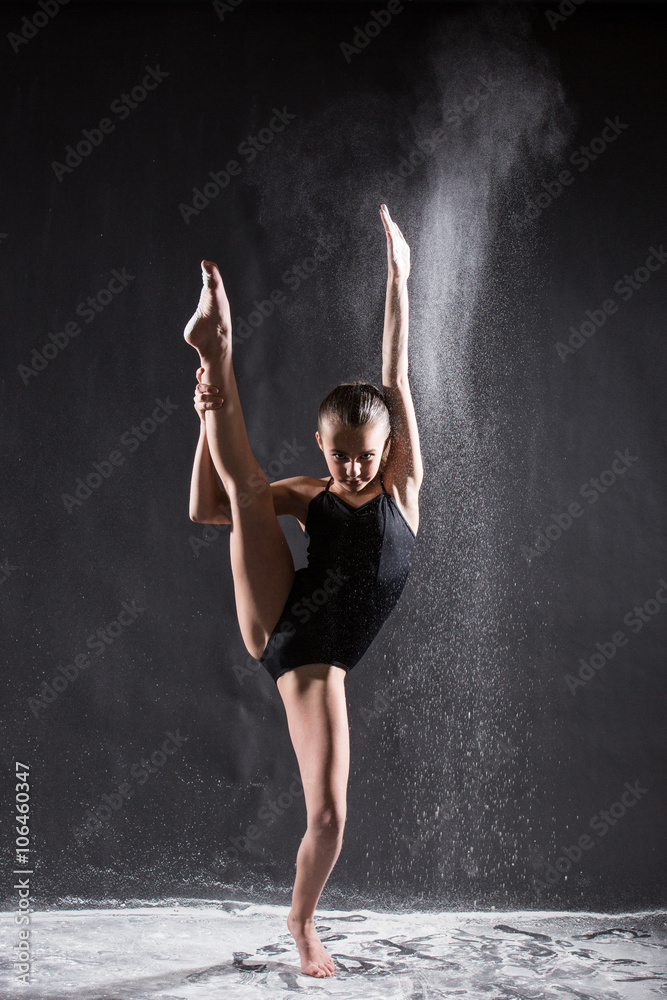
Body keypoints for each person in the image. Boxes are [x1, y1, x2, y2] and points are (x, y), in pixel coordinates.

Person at [184, 203, 422, 978]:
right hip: (290, 637)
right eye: (342, 454)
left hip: (319, 664)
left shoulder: (403, 492)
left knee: (329, 814)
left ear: (386, 448)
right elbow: (210, 508)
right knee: (252, 489)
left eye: (365, 454)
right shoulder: (310, 491)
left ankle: (300, 918)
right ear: (322, 444)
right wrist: (203, 421)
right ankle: (216, 350)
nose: (353, 467)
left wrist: (397, 278)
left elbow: (394, 374)